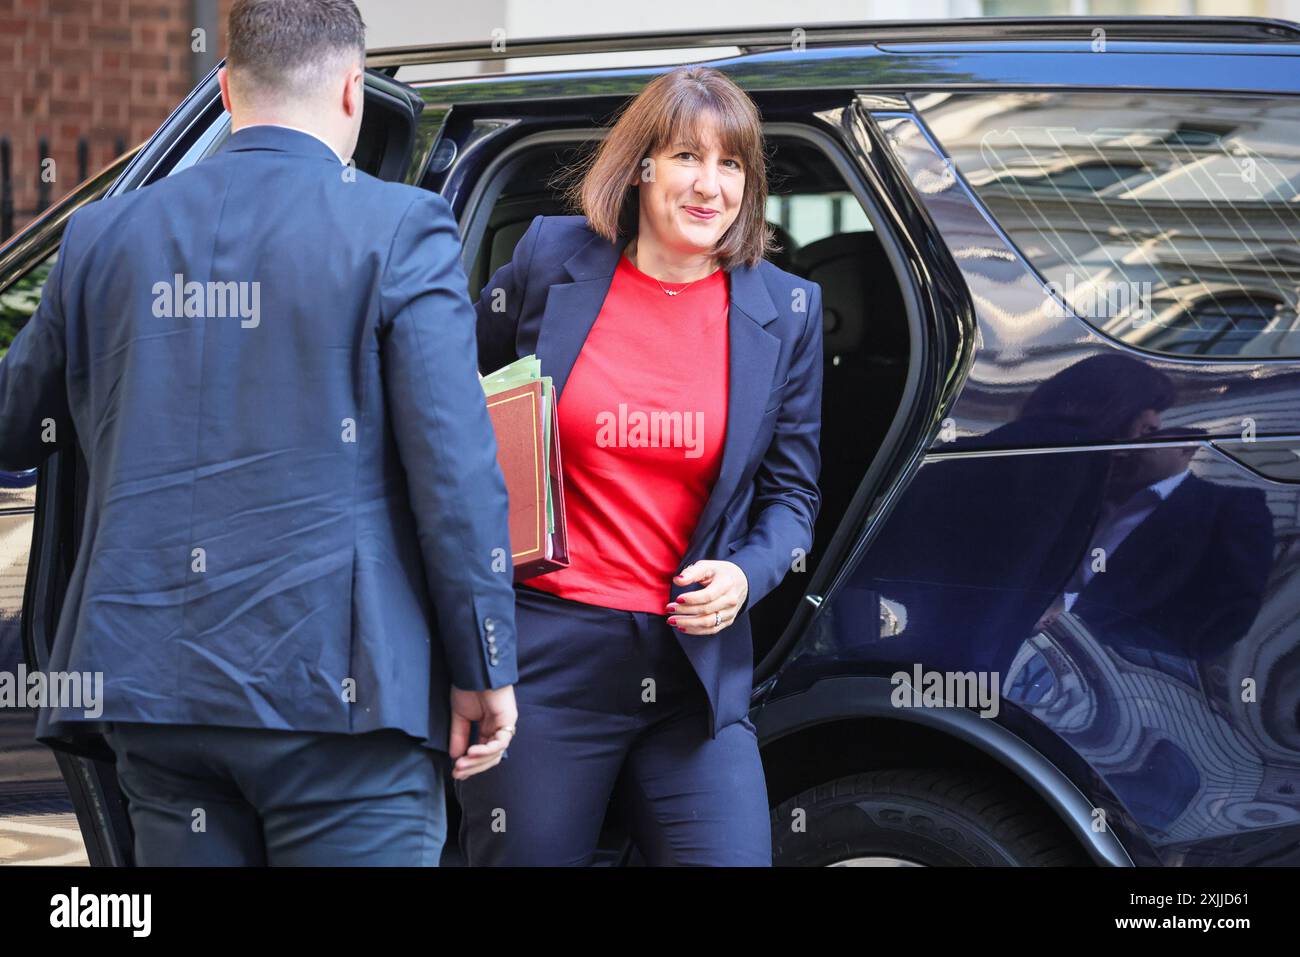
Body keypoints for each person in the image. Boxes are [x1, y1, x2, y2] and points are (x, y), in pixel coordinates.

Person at [0, 0, 517, 866]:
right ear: (353, 91)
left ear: (227, 90)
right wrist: (484, 661)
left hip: (154, 696)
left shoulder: (100, 236)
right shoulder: (399, 228)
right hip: (343, 703)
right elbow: (454, 473)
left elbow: (15, 430)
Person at [459, 65, 823, 865]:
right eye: (687, 157)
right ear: (642, 165)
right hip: (544, 656)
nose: (709, 184)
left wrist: (745, 576)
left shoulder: (786, 310)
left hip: (690, 673)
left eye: (731, 165)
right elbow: (455, 406)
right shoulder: (550, 258)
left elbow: (793, 497)